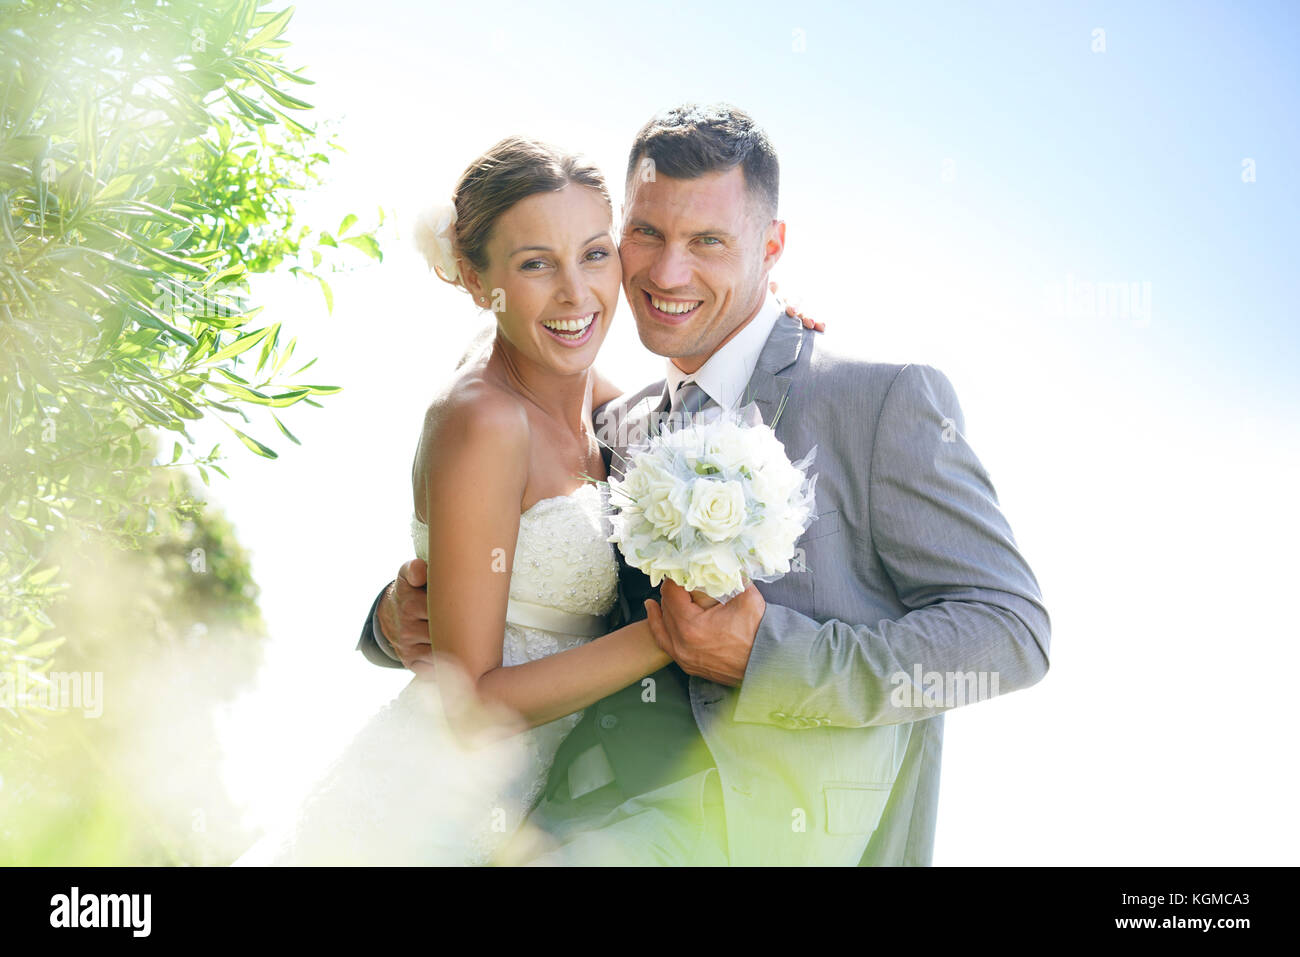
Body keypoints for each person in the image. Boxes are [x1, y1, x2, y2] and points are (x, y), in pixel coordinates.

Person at [362, 103, 1052, 866]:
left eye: (709, 242)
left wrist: (771, 653)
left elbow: (1011, 631)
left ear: (772, 246)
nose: (667, 273)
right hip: (565, 821)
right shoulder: (614, 423)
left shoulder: (879, 402)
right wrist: (394, 618)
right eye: (647, 234)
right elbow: (520, 595)